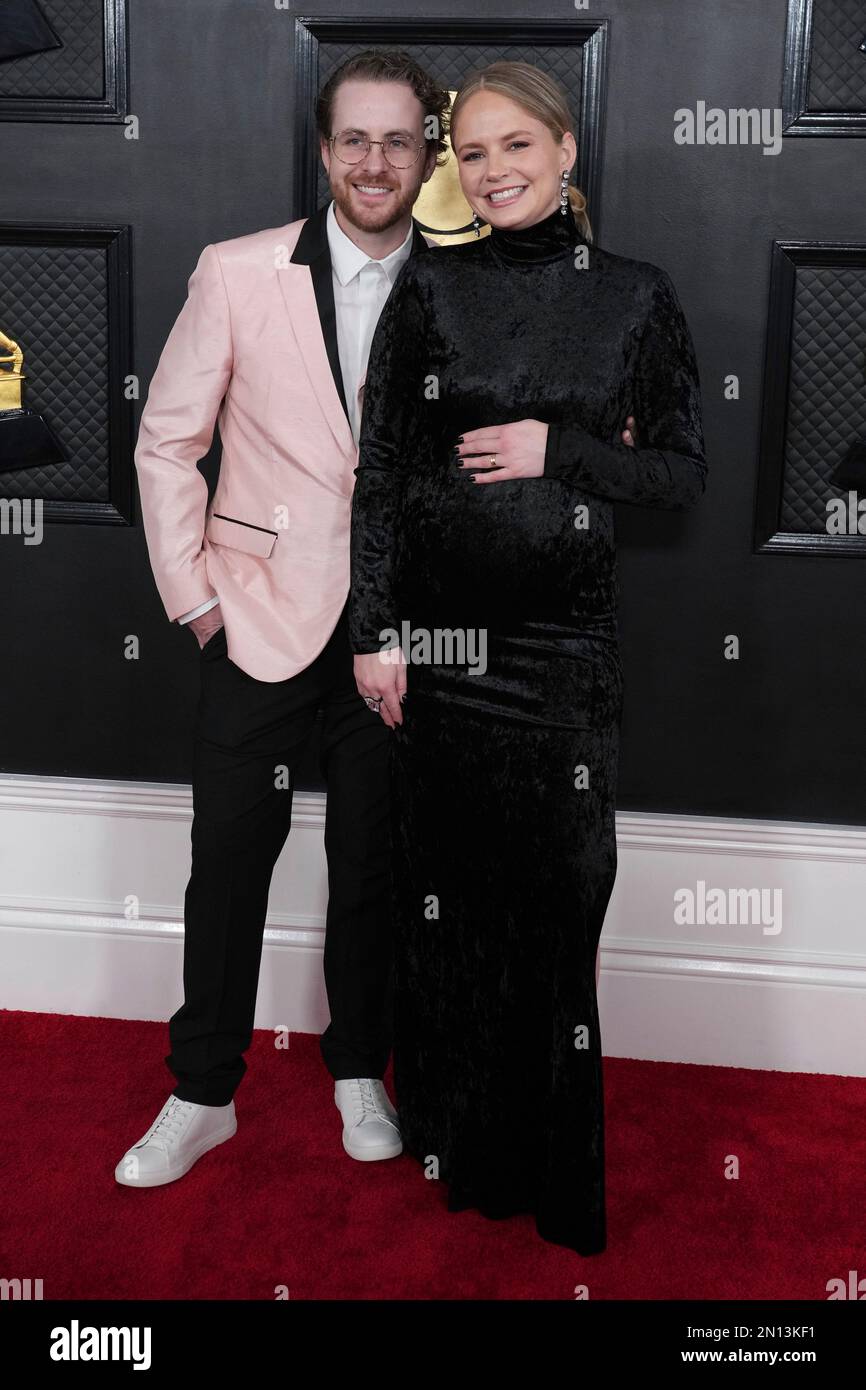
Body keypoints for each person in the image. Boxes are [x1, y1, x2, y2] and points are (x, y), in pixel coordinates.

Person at [349, 60, 707, 1254]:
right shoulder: (430, 290)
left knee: (553, 914)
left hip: (562, 656)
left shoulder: (635, 299)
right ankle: (459, 1151)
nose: (492, 171)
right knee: (449, 919)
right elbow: (384, 474)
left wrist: (561, 446)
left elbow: (679, 475)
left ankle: (549, 1172)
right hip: (442, 656)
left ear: (564, 154)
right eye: (472, 151)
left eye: (517, 147)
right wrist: (377, 634)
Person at [116, 51, 450, 1187]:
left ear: (424, 153)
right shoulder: (236, 271)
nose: (373, 161)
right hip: (253, 618)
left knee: (371, 864)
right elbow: (166, 441)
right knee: (227, 866)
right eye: (353, 139)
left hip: (394, 632)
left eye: (396, 141)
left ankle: (359, 1064)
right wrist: (196, 600)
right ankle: (202, 1089)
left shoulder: (463, 283)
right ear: (322, 149)